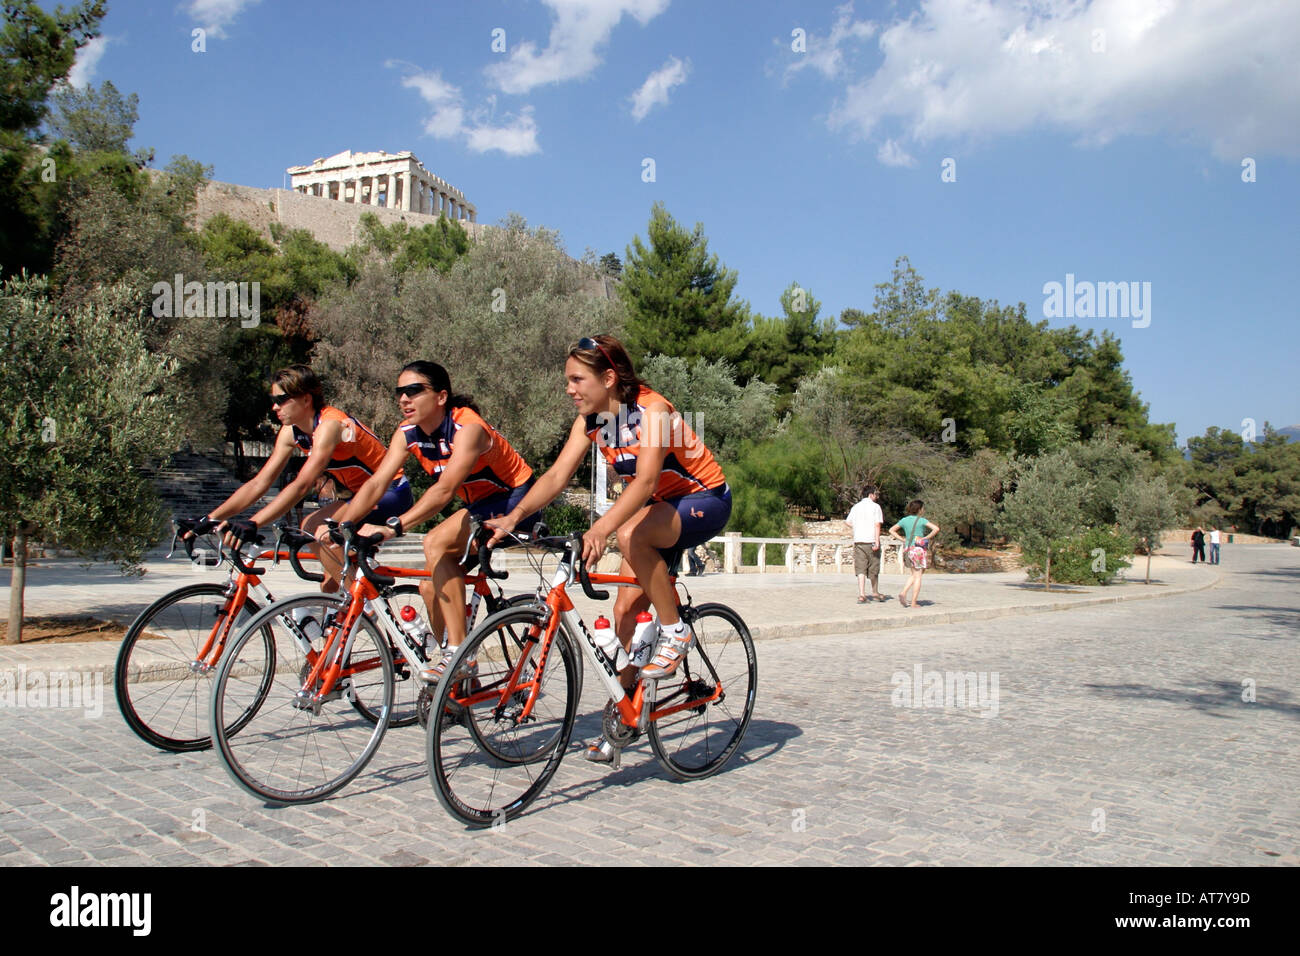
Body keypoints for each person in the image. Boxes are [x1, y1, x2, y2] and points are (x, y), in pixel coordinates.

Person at [487, 335, 731, 758]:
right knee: (623, 612)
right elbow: (556, 476)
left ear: (609, 377)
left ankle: (676, 632)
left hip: (705, 500)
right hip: (657, 510)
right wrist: (515, 515)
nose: (569, 389)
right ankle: (627, 711)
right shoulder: (593, 420)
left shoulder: (653, 411)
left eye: (577, 379)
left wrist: (599, 529)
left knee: (629, 535)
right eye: (568, 380)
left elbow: (648, 481)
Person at [327, 361, 538, 681]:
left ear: (441, 397)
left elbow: (444, 490)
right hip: (480, 508)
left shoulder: (469, 428)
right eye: (399, 392)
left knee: (434, 541)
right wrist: (344, 524)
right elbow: (375, 483)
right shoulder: (406, 432)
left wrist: (393, 526)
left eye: (414, 391)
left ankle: (458, 656)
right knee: (429, 588)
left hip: (516, 503)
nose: (404, 399)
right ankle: (454, 679)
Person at [205, 365, 411, 590]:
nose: (275, 406)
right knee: (329, 586)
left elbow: (302, 485)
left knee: (314, 526)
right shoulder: (291, 432)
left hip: (391, 493)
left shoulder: (330, 425)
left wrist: (254, 523)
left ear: (305, 399)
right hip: (361, 496)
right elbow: (259, 482)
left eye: (282, 399)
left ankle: (368, 608)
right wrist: (211, 518)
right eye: (273, 399)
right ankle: (348, 611)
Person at [888, 500, 938, 609]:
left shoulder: (904, 520)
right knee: (918, 576)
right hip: (918, 549)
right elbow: (936, 529)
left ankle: (903, 592)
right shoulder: (922, 520)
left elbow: (891, 530)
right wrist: (926, 538)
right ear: (920, 509)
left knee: (914, 574)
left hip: (908, 549)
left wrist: (902, 539)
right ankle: (914, 601)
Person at [845, 484, 885, 603]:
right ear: (871, 494)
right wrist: (877, 541)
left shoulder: (856, 507)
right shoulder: (876, 507)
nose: (876, 496)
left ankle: (862, 594)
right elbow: (877, 524)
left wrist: (858, 527)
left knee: (860, 568)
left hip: (859, 541)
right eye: (875, 494)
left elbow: (848, 522)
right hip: (871, 540)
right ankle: (875, 592)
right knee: (874, 567)